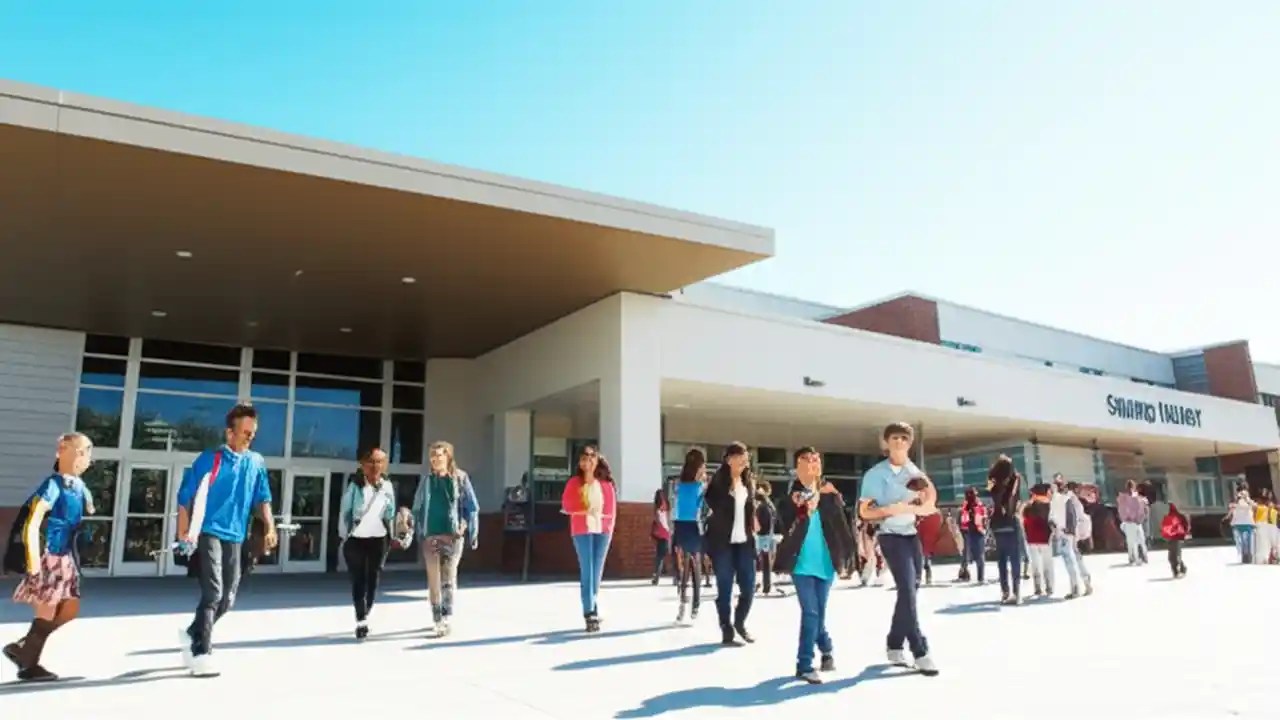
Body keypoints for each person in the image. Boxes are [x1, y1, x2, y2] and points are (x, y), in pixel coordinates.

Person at [175, 403, 277, 677]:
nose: (250, 437)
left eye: (253, 433)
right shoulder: (210, 459)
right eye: (245, 432)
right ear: (229, 432)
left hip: (236, 535)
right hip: (209, 531)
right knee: (213, 593)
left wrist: (270, 526)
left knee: (228, 599)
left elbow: (263, 497)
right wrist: (182, 531)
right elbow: (185, 496)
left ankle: (194, 631)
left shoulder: (256, 462)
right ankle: (202, 652)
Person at [2, 433, 95, 682]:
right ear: (65, 453)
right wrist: (34, 563)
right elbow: (32, 522)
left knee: (70, 609)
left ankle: (24, 649)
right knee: (46, 609)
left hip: (65, 557)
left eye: (88, 453)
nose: (86, 458)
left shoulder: (78, 486)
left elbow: (84, 511)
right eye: (83, 451)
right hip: (49, 557)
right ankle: (28, 663)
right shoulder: (53, 485)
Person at [858, 422, 938, 676]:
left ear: (910, 442)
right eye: (894, 437)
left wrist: (913, 508)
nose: (899, 442)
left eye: (904, 437)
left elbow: (929, 505)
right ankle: (920, 650)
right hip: (890, 535)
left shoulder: (916, 473)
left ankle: (894, 644)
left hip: (911, 534)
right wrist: (891, 510)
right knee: (906, 587)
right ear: (886, 442)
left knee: (912, 589)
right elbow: (864, 511)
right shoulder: (875, 475)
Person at [775, 447, 855, 684]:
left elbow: (842, 528)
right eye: (806, 460)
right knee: (810, 613)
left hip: (826, 563)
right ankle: (804, 664)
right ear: (798, 466)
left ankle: (827, 648)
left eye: (816, 459)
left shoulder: (829, 494)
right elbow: (785, 525)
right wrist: (801, 510)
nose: (812, 463)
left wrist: (850, 559)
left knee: (818, 614)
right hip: (801, 564)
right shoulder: (790, 498)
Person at [411, 441, 479, 637]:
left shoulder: (460, 478)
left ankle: (446, 616)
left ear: (448, 457)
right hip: (431, 534)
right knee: (434, 578)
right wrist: (414, 529)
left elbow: (471, 507)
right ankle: (437, 618)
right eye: (432, 456)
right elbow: (417, 507)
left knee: (448, 576)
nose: (436, 459)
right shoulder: (426, 481)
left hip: (453, 536)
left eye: (440, 455)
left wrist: (469, 529)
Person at [337, 447, 397, 639]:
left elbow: (391, 511)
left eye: (380, 461)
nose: (375, 466)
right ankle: (361, 619)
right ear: (363, 465)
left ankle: (366, 609)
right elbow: (345, 511)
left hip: (379, 539)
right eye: (371, 461)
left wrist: (395, 531)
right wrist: (343, 534)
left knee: (373, 578)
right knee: (358, 579)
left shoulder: (387, 486)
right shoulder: (355, 485)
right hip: (356, 539)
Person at [703, 442, 759, 646]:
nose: (744, 461)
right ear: (729, 459)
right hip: (722, 543)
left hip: (744, 542)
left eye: (746, 458)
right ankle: (726, 629)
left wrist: (754, 519)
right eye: (740, 457)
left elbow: (750, 506)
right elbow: (712, 506)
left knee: (749, 587)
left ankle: (740, 623)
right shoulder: (717, 484)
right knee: (725, 588)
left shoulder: (748, 482)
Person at [560, 444, 616, 633]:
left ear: (598, 459)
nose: (589, 460)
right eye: (585, 457)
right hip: (582, 529)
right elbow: (567, 505)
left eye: (592, 456)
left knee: (596, 572)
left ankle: (593, 605)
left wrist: (608, 527)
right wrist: (585, 510)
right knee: (587, 569)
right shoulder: (574, 483)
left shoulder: (606, 485)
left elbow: (611, 510)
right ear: (580, 462)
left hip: (603, 530)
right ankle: (589, 613)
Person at [670, 449, 708, 625]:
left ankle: (683, 604)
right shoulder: (701, 487)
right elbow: (703, 509)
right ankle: (695, 604)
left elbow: (676, 506)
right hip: (694, 525)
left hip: (680, 525)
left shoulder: (678, 485)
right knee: (695, 565)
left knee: (684, 566)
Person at [986, 454, 1022, 605]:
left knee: (1001, 559)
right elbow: (1016, 498)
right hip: (1011, 520)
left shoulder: (992, 479)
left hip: (997, 522)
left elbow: (990, 493)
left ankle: (1005, 592)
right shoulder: (1015, 478)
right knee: (1015, 558)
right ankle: (1017, 592)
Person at [1049, 475, 1093, 599]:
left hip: (1066, 532)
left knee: (1069, 560)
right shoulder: (1068, 498)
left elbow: (1069, 516)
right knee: (1076, 557)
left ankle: (1075, 588)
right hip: (1071, 532)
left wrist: (1067, 531)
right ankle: (1086, 583)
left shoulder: (1062, 499)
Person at [1022, 483, 1054, 597]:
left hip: (1031, 539)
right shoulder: (1049, 506)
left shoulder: (1027, 507)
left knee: (1035, 564)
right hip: (1045, 539)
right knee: (1047, 564)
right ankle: (1049, 587)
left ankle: (1037, 587)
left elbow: (1024, 523)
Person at [754, 481, 784, 597]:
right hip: (767, 534)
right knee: (766, 561)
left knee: (763, 561)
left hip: (764, 535)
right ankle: (765, 584)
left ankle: (764, 584)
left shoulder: (764, 504)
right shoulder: (768, 504)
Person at [957, 487, 987, 584]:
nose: (970, 497)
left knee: (979, 555)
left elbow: (984, 518)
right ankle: (964, 573)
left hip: (978, 532)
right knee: (967, 554)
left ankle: (980, 577)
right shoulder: (965, 506)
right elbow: (962, 520)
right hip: (968, 532)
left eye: (972, 494)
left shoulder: (979, 505)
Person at [1116, 479, 1150, 565]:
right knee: (1139, 540)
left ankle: (1134, 557)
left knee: (1133, 541)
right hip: (1135, 522)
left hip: (1130, 522)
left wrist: (1125, 518)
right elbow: (1144, 508)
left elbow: (1121, 510)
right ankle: (1140, 557)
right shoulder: (1137, 498)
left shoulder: (1124, 498)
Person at [1226, 485, 1255, 564]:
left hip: (1244, 523)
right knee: (1243, 541)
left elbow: (1254, 506)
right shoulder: (1237, 501)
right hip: (1242, 523)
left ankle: (1247, 556)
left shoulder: (1247, 500)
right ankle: (1245, 556)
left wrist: (1246, 499)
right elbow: (1231, 508)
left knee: (1244, 542)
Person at [1160, 503, 1190, 578]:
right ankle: (1178, 570)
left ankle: (1179, 570)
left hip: (1177, 538)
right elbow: (1164, 527)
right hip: (1171, 538)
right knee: (1172, 556)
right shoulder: (1168, 517)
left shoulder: (1179, 516)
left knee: (1176, 556)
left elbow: (1186, 525)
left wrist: (1184, 534)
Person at [651, 483, 673, 585]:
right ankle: (676, 576)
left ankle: (656, 575)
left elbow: (658, 521)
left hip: (659, 534)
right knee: (670, 555)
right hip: (666, 533)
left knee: (659, 556)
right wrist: (669, 530)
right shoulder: (667, 507)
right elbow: (667, 521)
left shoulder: (656, 509)